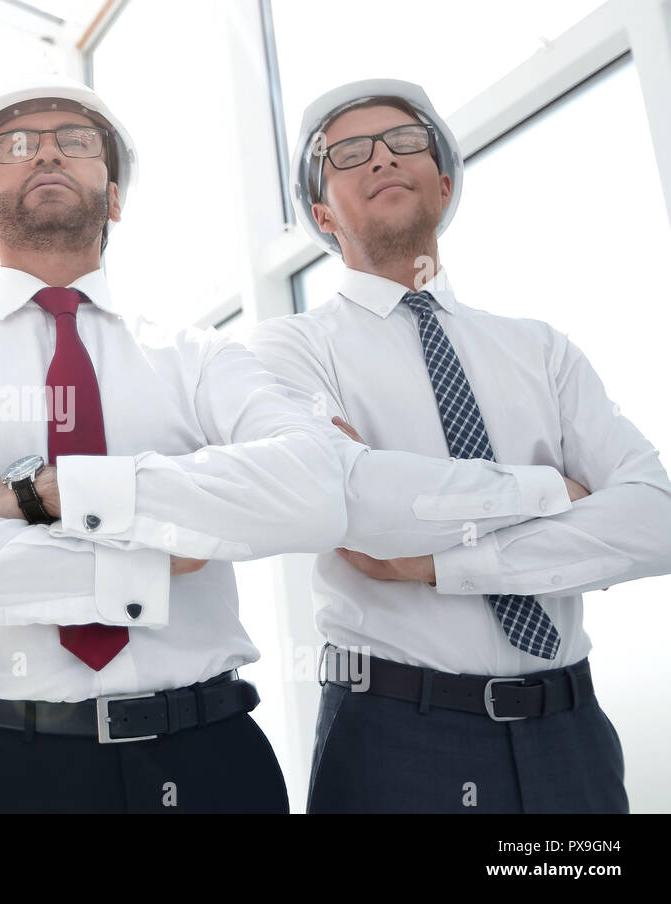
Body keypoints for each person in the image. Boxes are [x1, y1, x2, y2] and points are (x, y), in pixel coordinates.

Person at [0, 79, 576, 813]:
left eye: (77, 141)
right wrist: (148, 553)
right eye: (17, 145)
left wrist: (32, 496)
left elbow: (314, 487)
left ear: (116, 197)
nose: (49, 153)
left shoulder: (201, 357)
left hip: (206, 760)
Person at [248, 78, 671, 813]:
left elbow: (655, 519)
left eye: (404, 141)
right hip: (394, 738)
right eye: (349, 153)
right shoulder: (288, 351)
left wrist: (439, 563)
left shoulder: (540, 349)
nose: (381, 158)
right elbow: (354, 506)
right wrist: (549, 491)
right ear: (321, 212)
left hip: (571, 735)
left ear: (441, 184)